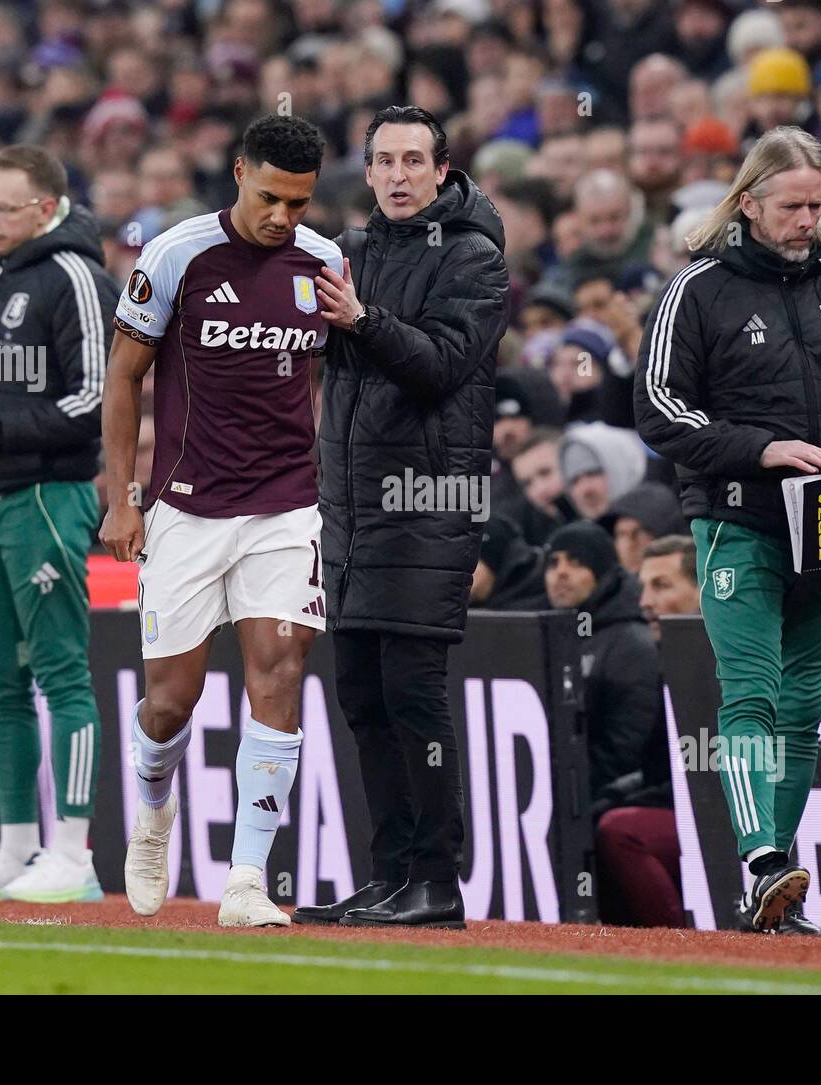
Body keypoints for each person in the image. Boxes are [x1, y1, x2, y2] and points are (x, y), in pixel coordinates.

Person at [633, 126, 821, 934]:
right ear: (749, 202)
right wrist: (761, 448)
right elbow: (658, 406)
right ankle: (763, 859)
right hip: (739, 516)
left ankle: (772, 883)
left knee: (802, 704)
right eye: (791, 205)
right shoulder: (699, 288)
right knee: (751, 690)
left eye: (816, 206)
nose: (806, 221)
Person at [99, 115, 342, 927]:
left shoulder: (325, 262)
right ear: (239, 172)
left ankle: (246, 879)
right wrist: (121, 497)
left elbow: (331, 378)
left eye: (299, 203)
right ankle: (153, 807)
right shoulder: (176, 256)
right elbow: (124, 376)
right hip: (186, 504)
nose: (283, 217)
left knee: (277, 663)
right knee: (172, 700)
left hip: (285, 503)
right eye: (270, 197)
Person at [293, 105, 509, 929]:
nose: (396, 175)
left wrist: (359, 320)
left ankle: (437, 883)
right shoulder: (346, 251)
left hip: (427, 502)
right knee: (361, 696)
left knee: (413, 692)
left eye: (414, 160)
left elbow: (444, 364)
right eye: (383, 160)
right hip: (347, 507)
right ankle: (389, 877)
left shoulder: (474, 258)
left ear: (443, 171)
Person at [0, 144, 118, 903]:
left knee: (61, 673)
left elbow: (97, 399)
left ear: (46, 209)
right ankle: (15, 848)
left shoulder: (76, 276)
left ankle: (73, 853)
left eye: (3, 209)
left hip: (44, 496)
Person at [543, 522, 681, 927]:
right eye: (553, 563)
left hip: (634, 796)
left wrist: (590, 797)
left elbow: (627, 747)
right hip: (620, 792)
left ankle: (676, 943)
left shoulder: (631, 645)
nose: (561, 573)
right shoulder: (556, 632)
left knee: (619, 831)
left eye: (576, 562)